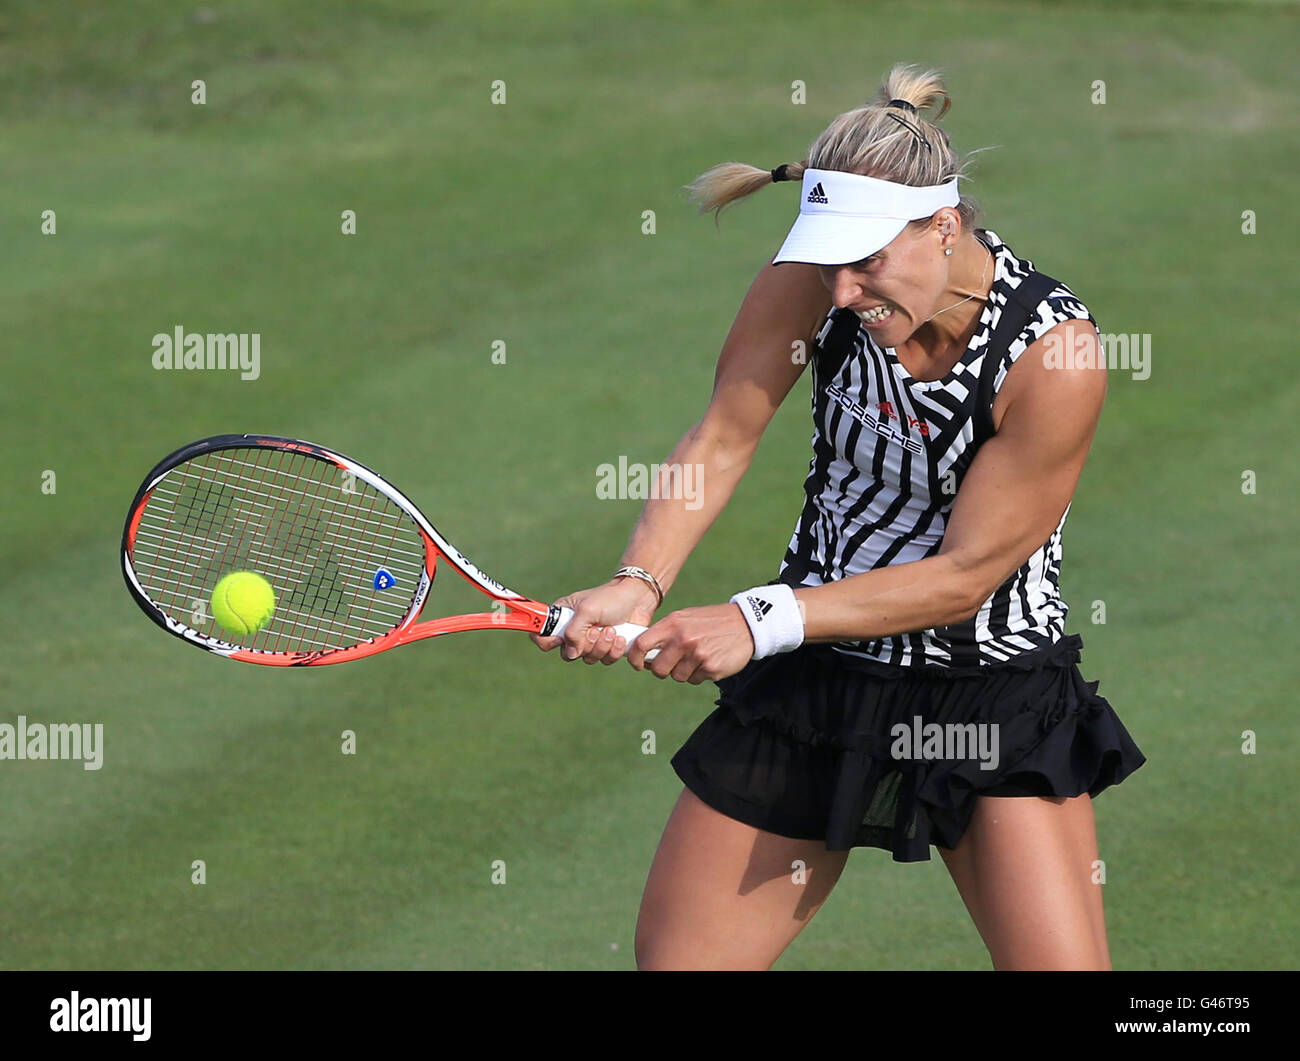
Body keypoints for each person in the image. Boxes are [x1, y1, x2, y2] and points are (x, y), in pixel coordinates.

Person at [532, 63, 1145, 971]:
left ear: (945, 224)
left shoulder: (1053, 355)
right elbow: (723, 438)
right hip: (817, 680)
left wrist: (760, 618)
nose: (847, 292)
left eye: (868, 262)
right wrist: (639, 579)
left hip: (988, 693)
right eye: (830, 263)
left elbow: (967, 575)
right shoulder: (818, 288)